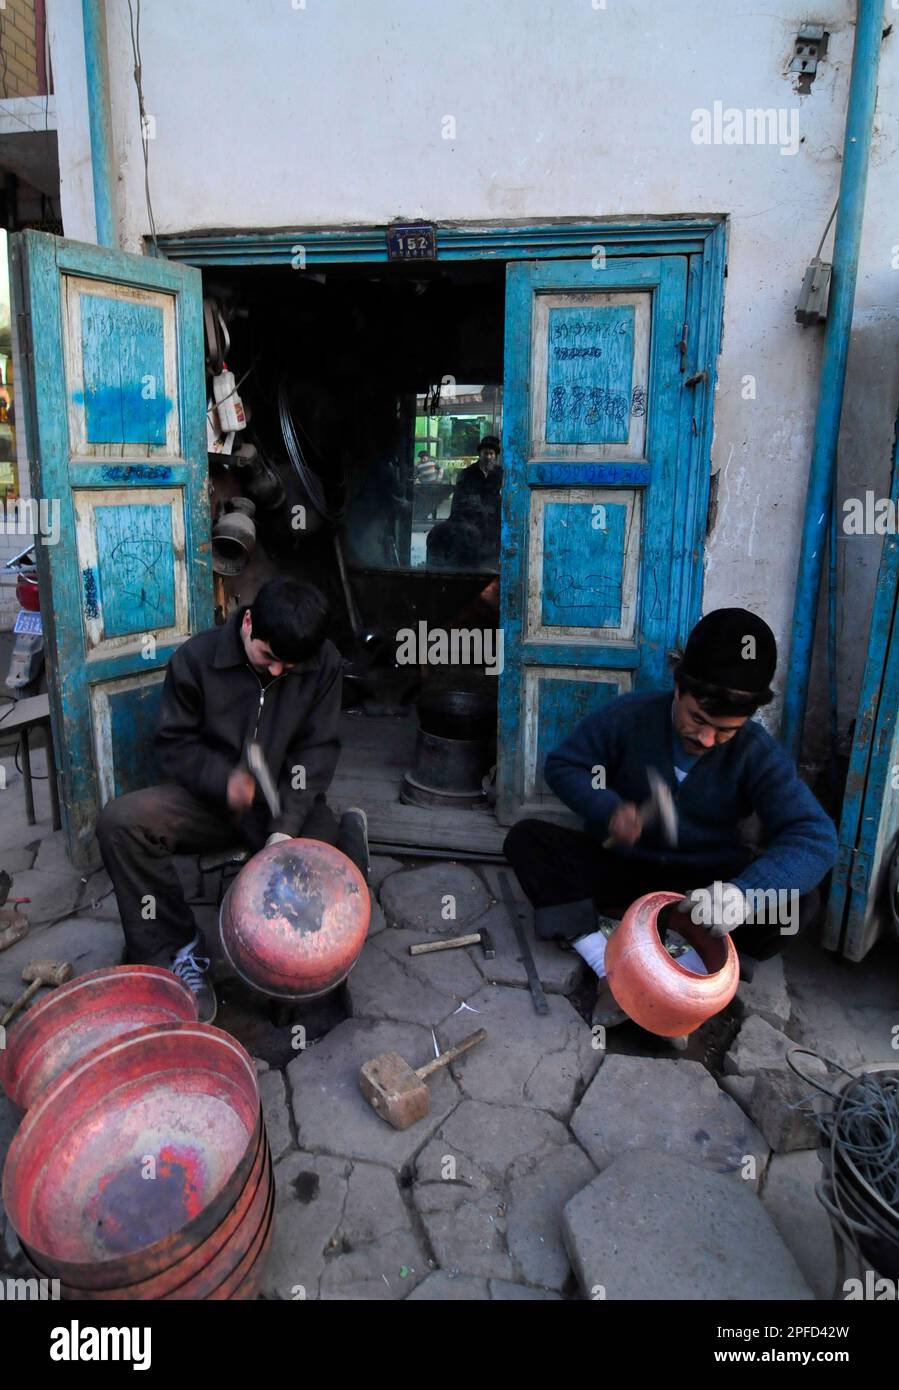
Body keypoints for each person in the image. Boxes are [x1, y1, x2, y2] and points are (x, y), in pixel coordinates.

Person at [503, 608, 838, 1028]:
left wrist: (743, 895)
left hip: (701, 896)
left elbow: (815, 837)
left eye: (725, 730)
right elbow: (565, 765)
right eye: (698, 719)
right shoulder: (630, 716)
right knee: (527, 840)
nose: (707, 739)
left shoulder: (756, 753)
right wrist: (608, 809)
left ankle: (691, 976)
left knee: (800, 901)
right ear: (679, 687)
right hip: (624, 873)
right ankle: (611, 969)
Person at [97, 578, 368, 1023]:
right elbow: (173, 741)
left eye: (291, 665)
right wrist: (222, 780)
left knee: (326, 868)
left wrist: (286, 827)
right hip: (214, 800)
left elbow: (317, 750)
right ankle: (176, 951)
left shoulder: (324, 663)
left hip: (286, 803)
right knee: (121, 822)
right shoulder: (196, 659)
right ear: (247, 624)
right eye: (269, 658)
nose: (279, 671)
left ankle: (300, 974)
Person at [448, 434, 502, 568]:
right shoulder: (467, 474)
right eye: (485, 453)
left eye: (491, 454)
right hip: (471, 520)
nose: (488, 457)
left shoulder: (500, 473)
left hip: (493, 523)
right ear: (480, 454)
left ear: (495, 456)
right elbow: (460, 500)